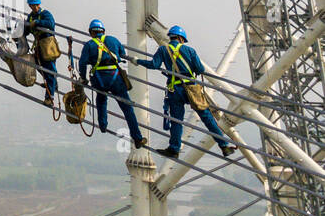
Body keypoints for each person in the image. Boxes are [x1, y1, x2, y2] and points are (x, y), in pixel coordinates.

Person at [135, 25, 236, 158]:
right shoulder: (189, 50)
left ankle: (174, 149)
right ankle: (224, 146)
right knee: (206, 117)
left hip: (174, 89)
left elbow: (154, 65)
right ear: (182, 39)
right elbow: (200, 69)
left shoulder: (163, 50)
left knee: (177, 120)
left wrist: (137, 61)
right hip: (191, 88)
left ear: (171, 37)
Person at [78, 19, 145, 149]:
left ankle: (103, 125)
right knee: (127, 108)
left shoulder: (89, 45)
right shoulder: (113, 40)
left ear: (91, 32)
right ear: (103, 31)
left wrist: (83, 77)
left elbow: (82, 63)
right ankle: (137, 138)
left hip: (99, 79)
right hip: (115, 78)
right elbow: (122, 54)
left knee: (101, 100)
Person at [23, 0, 60, 105]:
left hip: (48, 46)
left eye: (36, 5)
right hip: (39, 46)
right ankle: (52, 84)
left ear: (39, 4)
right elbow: (27, 31)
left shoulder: (45, 14)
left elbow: (51, 23)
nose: (34, 7)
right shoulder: (30, 16)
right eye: (32, 5)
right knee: (38, 65)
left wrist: (38, 23)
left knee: (50, 71)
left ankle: (49, 97)